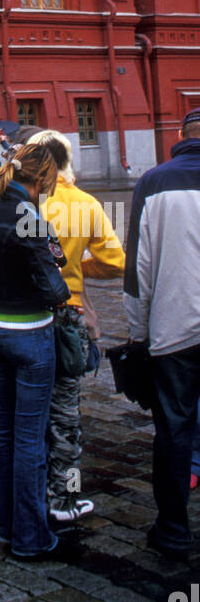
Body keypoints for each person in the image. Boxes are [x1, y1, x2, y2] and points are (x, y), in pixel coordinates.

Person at [0, 143, 71, 560]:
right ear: (40, 181)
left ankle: (6, 528)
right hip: (30, 335)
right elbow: (55, 290)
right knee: (30, 440)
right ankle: (31, 537)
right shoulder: (30, 218)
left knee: (3, 432)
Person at [29, 129, 126, 525]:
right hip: (68, 313)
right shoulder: (85, 203)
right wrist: (78, 271)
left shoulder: (25, 202)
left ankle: (25, 492)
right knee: (66, 409)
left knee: (25, 405)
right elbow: (116, 262)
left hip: (23, 315)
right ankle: (64, 498)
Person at [124, 106, 200, 562]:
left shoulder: (154, 181)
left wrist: (138, 334)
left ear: (181, 135)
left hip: (174, 329)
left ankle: (173, 531)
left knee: (173, 431)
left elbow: (138, 270)